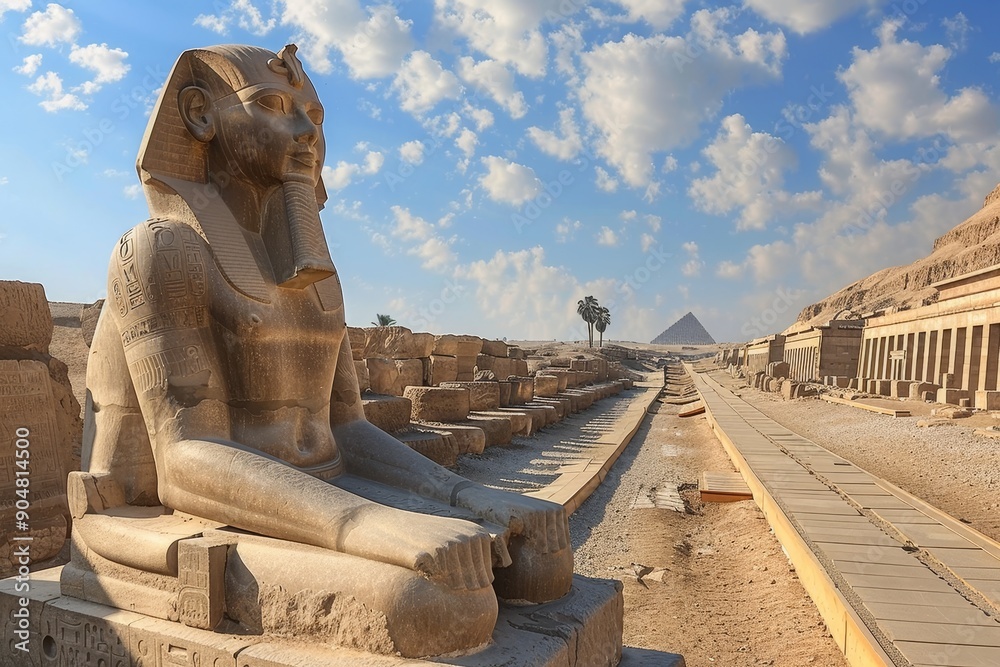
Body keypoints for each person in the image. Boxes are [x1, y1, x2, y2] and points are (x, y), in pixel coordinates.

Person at [81, 44, 571, 652]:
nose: (305, 132)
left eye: (314, 117)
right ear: (201, 114)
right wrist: (372, 525)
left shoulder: (318, 275)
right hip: (175, 515)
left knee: (536, 559)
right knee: (439, 604)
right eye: (274, 106)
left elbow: (346, 428)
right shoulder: (163, 249)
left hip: (318, 491)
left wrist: (463, 496)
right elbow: (186, 462)